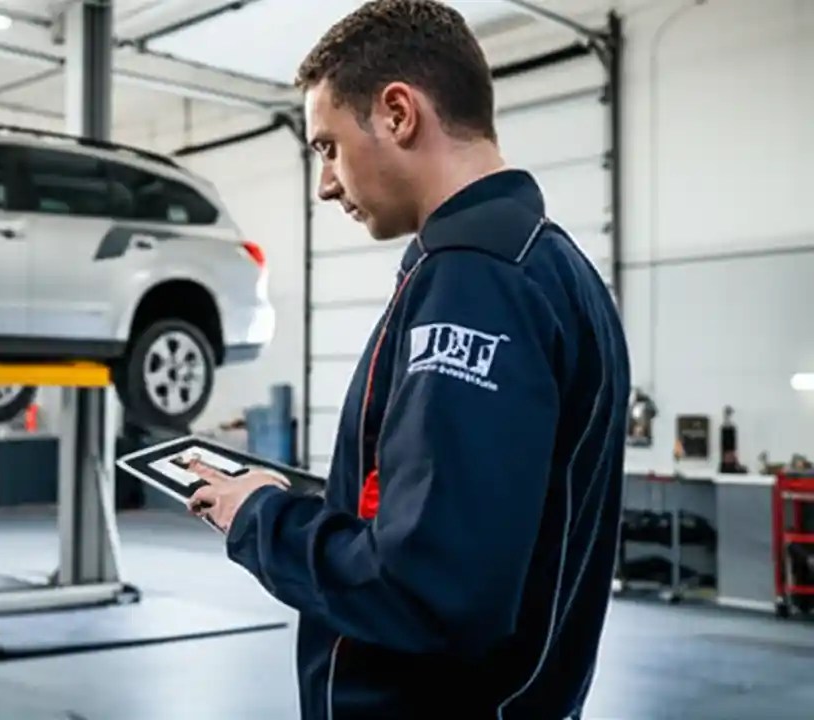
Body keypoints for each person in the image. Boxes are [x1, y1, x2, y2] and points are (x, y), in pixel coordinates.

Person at [186, 1, 631, 718]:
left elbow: (428, 589)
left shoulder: (474, 282)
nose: (325, 183)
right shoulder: (548, 266)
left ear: (398, 113)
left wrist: (261, 519)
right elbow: (455, 526)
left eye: (327, 146)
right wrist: (308, 504)